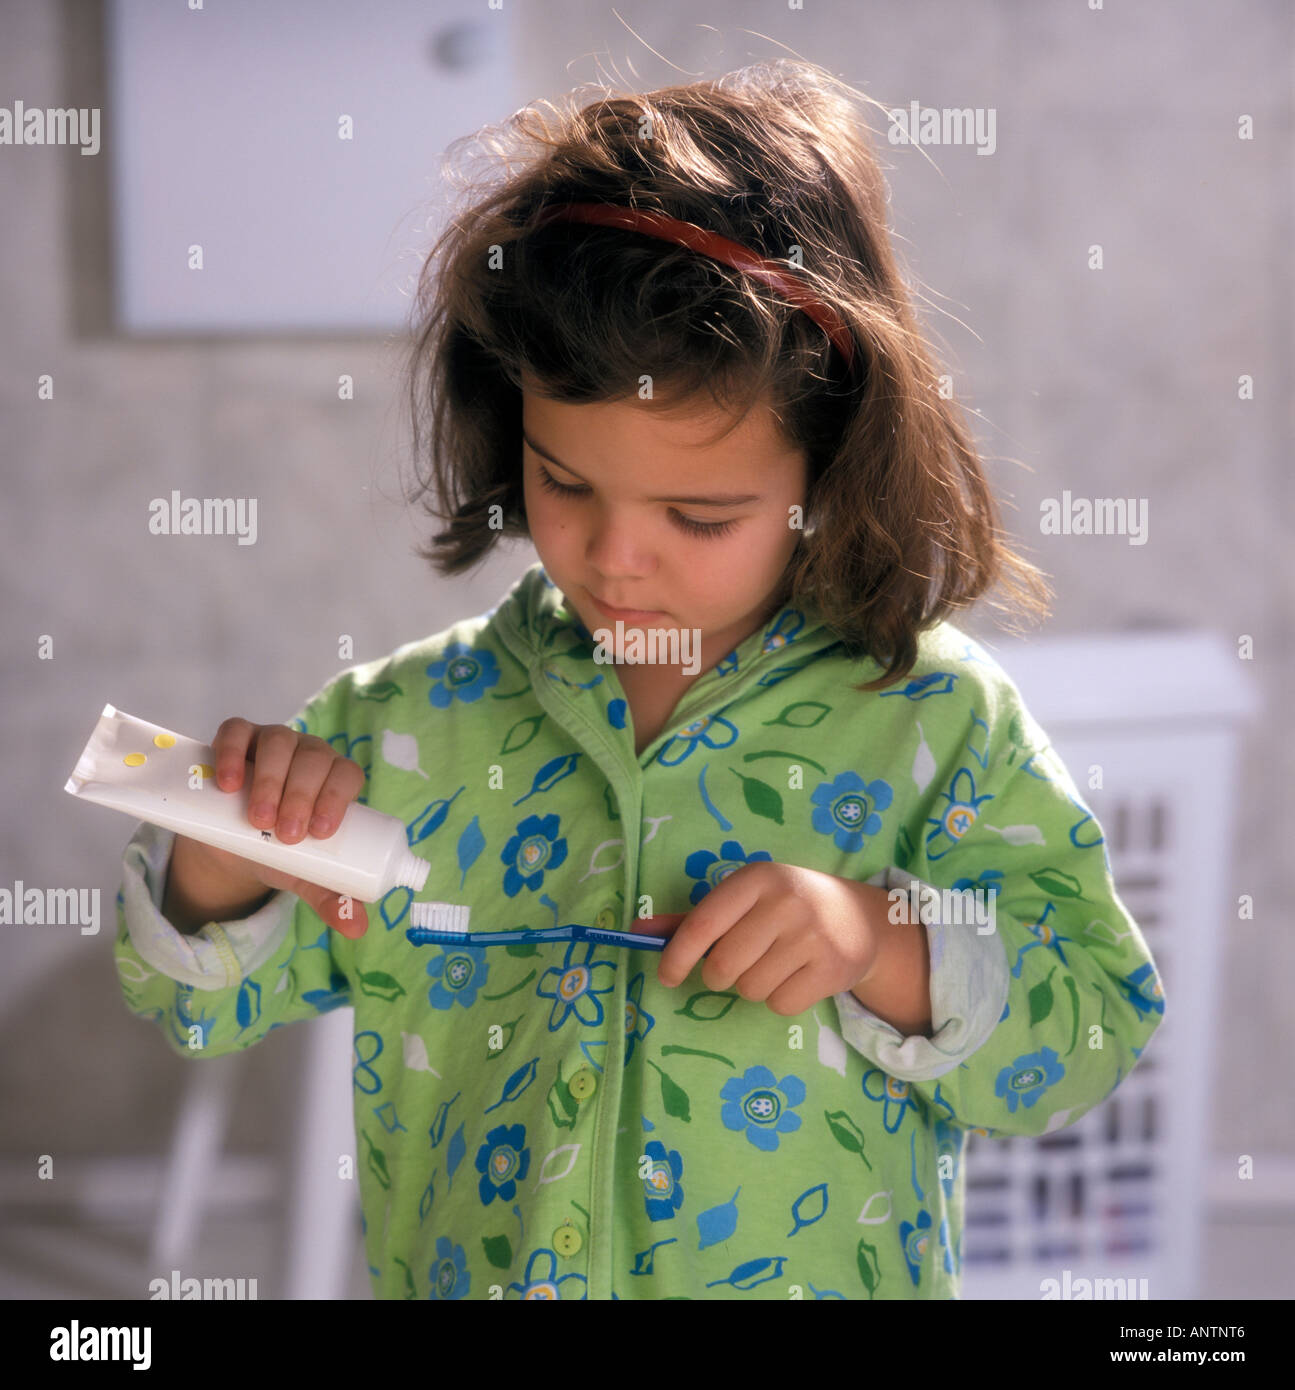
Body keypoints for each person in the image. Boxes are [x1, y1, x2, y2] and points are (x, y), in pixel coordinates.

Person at [114, 60, 1166, 1300]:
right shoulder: (401, 727)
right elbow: (197, 1006)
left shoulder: (934, 722)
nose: (614, 558)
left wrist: (877, 942)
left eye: (699, 514)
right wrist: (223, 862)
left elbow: (1088, 1031)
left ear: (827, 474)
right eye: (564, 484)